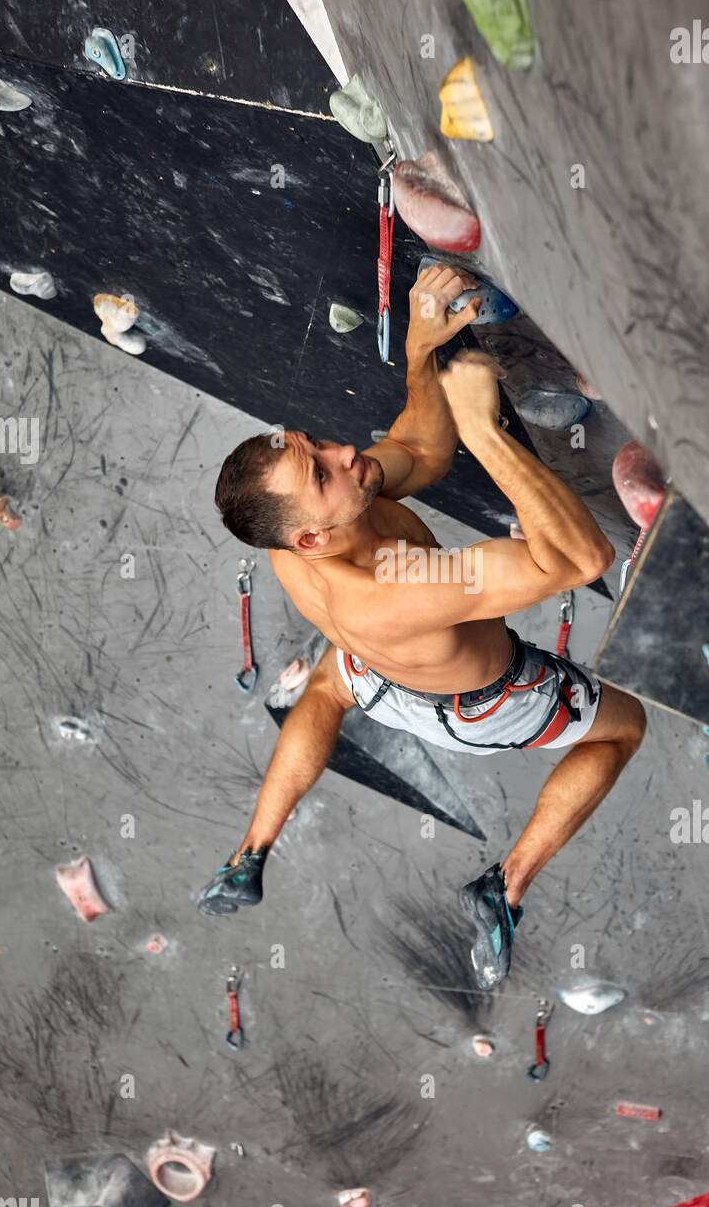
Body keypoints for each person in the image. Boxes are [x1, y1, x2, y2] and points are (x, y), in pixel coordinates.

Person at [201, 265, 645, 989]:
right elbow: (578, 557)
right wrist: (487, 434)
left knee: (326, 687)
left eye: (317, 446)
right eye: (323, 474)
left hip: (370, 670)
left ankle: (250, 853)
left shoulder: (300, 539)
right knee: (623, 728)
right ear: (311, 536)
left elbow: (420, 451)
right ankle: (506, 885)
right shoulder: (399, 589)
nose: (344, 454)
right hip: (481, 700)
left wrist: (421, 352)